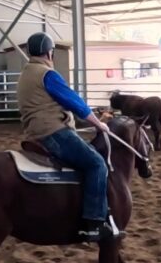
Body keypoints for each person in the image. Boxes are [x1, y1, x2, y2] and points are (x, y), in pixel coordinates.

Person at [16, 32, 119, 243]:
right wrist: (98, 124)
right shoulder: (47, 74)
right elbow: (75, 102)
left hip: (34, 132)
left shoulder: (24, 74)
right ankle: (94, 224)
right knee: (96, 164)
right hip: (53, 132)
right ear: (49, 52)